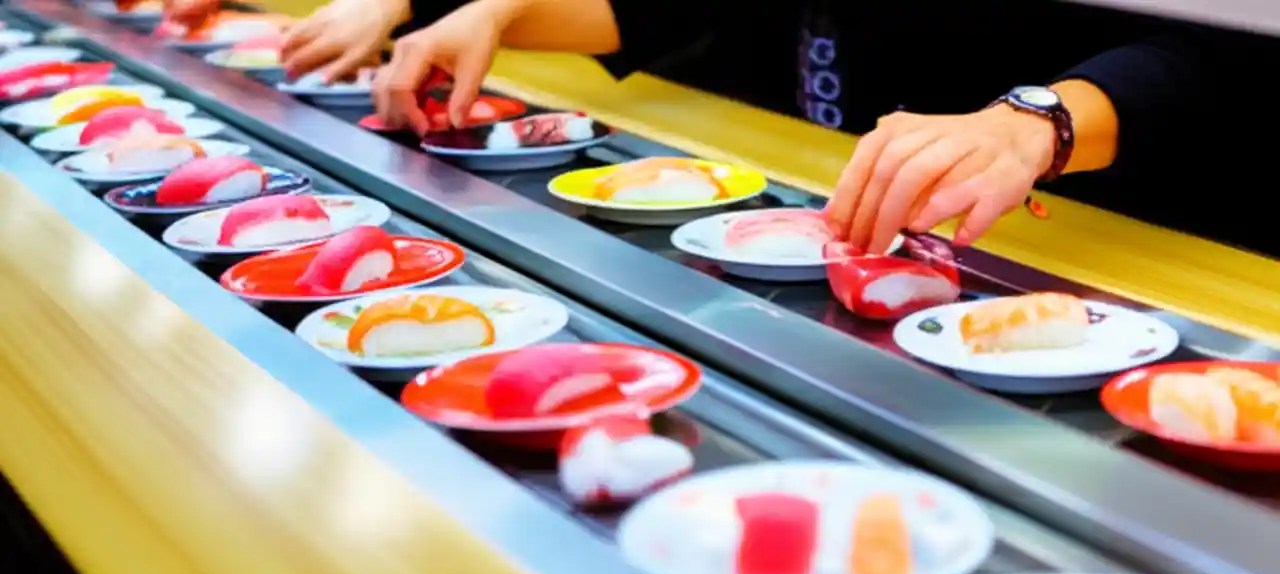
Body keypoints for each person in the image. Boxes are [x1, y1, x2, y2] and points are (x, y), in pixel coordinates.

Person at [282, 0, 1273, 252]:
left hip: (1099, 228)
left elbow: (1197, 56)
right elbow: (649, 13)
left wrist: (1030, 124)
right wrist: (468, 11)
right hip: (842, 222)